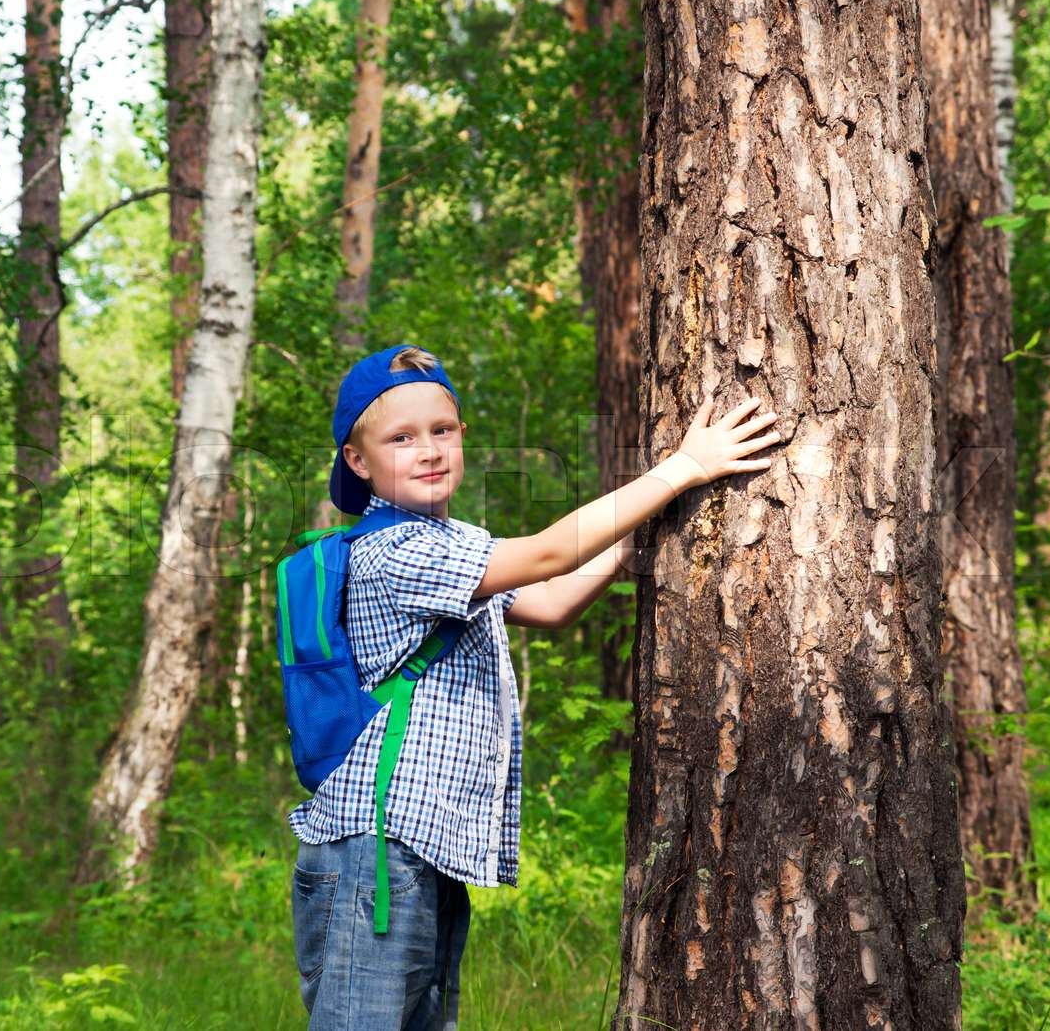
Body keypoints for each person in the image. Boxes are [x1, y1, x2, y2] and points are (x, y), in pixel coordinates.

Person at [287, 343, 783, 1030]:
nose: (427, 449)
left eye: (442, 430)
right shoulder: (400, 553)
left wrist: (643, 526)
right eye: (400, 438)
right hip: (375, 855)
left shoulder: (449, 540)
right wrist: (683, 469)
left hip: (414, 854)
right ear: (358, 461)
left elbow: (549, 600)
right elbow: (550, 552)